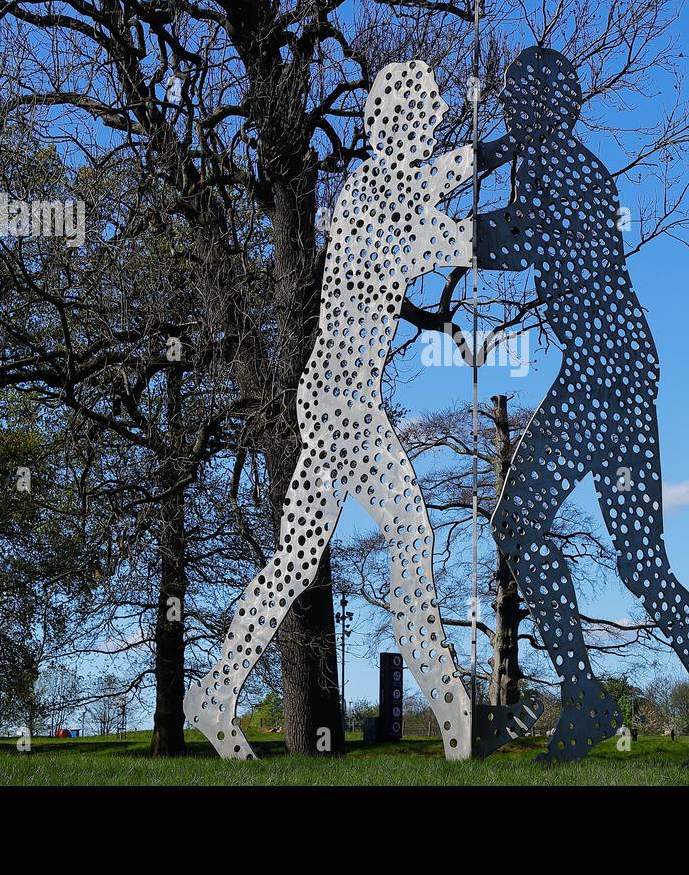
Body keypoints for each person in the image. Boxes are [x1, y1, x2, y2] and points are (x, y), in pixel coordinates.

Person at [187, 60, 507, 759]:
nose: (433, 123)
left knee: (297, 558)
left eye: (434, 118)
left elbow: (444, 175)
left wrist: (501, 146)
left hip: (332, 399)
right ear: (394, 124)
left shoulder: (378, 187)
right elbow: (466, 238)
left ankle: (214, 690)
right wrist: (541, 224)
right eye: (424, 114)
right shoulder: (379, 202)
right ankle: (457, 725)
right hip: (342, 404)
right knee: (412, 538)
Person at [475, 47, 689, 764]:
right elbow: (516, 212)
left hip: (607, 376)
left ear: (558, 108)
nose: (516, 109)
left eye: (529, 99)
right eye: (512, 98)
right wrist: (478, 159)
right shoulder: (542, 156)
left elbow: (523, 235)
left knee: (527, 524)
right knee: (638, 564)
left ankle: (591, 701)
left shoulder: (566, 168)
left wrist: (435, 237)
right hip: (611, 372)